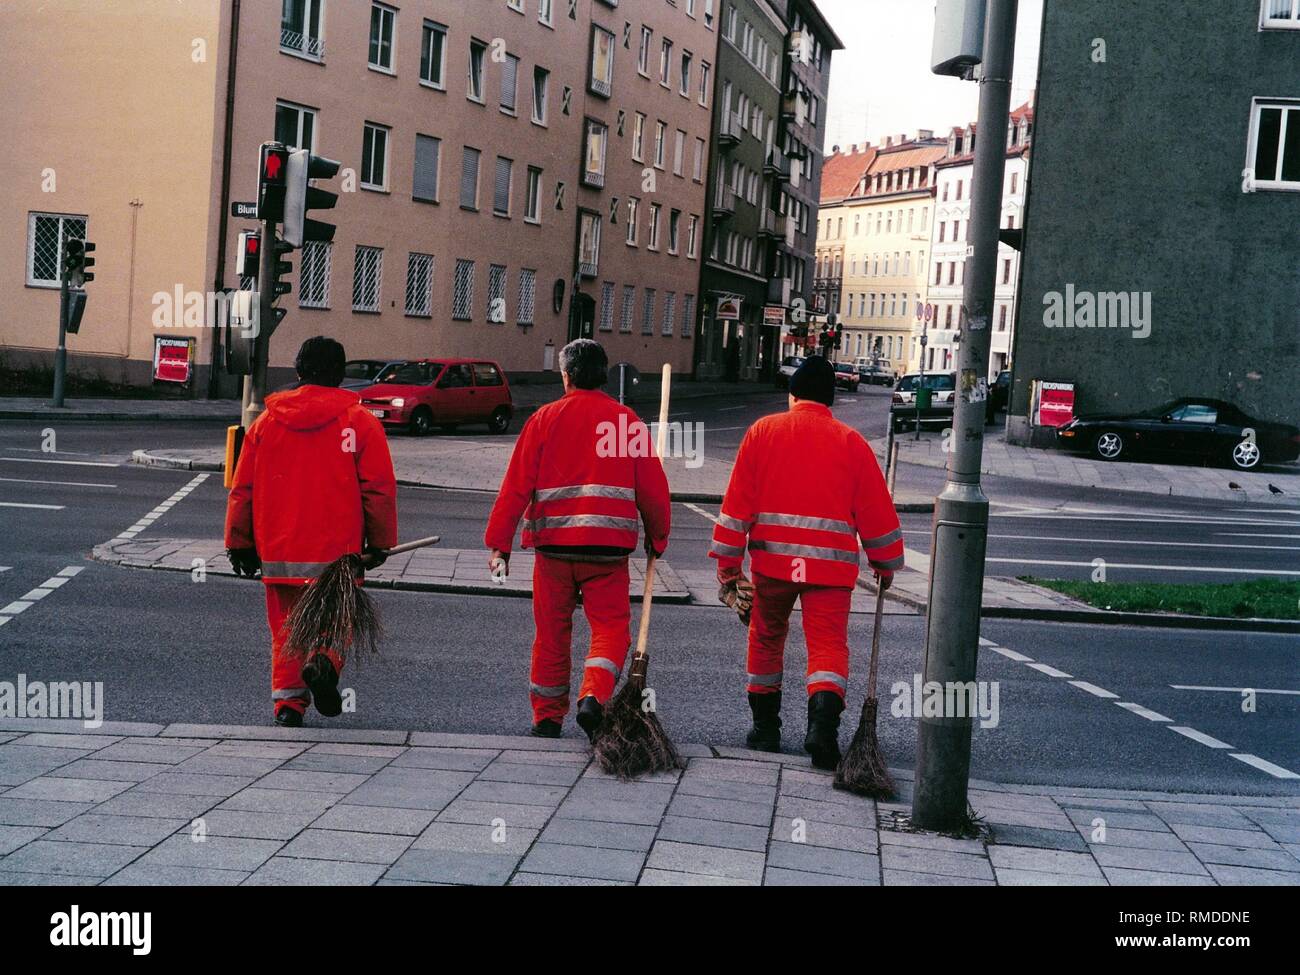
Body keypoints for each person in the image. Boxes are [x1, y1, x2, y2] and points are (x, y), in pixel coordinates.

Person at [710, 355, 904, 769]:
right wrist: (885, 564)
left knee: (765, 638)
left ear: (792, 395)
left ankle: (765, 730)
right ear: (830, 401)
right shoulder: (852, 443)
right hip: (830, 572)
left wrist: (728, 568)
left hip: (773, 566)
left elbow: (735, 510)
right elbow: (877, 514)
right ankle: (822, 731)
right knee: (828, 645)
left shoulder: (763, 432)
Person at [485, 339, 671, 741]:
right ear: (604, 376)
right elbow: (653, 490)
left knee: (551, 633)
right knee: (611, 629)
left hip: (552, 549)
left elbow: (515, 486)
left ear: (565, 375)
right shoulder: (626, 423)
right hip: (607, 551)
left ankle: (547, 718)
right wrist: (658, 536)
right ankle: (594, 697)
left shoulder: (544, 419)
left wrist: (499, 543)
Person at [225, 336, 398, 727]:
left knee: (286, 631)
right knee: (337, 622)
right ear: (340, 375)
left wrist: (239, 543)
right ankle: (324, 663)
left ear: (299, 372)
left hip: (280, 554)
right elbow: (378, 489)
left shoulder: (266, 424)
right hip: (337, 558)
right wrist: (381, 543)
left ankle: (288, 706)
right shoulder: (360, 423)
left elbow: (243, 488)